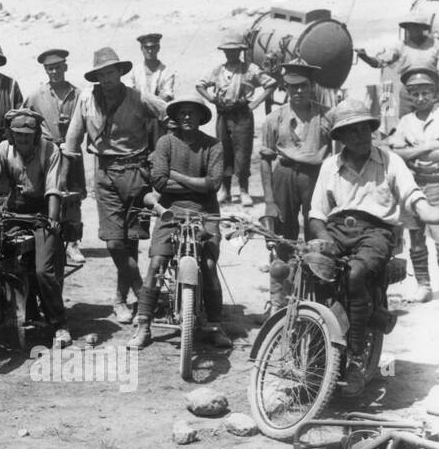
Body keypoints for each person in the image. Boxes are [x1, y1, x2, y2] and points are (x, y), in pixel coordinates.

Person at [308, 100, 439, 395]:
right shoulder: (330, 165)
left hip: (376, 232)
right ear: (340, 137)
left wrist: (430, 213)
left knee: (355, 274)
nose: (360, 136)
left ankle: (354, 360)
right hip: (336, 228)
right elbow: (316, 213)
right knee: (310, 268)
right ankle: (312, 348)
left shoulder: (391, 161)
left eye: (364, 128)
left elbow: (414, 198)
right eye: (351, 131)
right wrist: (322, 236)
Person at [64, 47, 165, 326]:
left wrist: (162, 152)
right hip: (105, 173)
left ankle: (121, 301)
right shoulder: (86, 98)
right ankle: (144, 293)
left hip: (137, 172)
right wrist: (64, 179)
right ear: (96, 76)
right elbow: (72, 142)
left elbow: (169, 115)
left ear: (120, 72)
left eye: (111, 71)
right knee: (113, 241)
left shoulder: (137, 97)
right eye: (101, 73)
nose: (106, 77)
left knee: (130, 243)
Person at [132, 94, 228, 351]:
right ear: (176, 117)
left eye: (192, 113)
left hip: (205, 212)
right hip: (169, 209)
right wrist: (196, 183)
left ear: (200, 117)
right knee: (156, 263)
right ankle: (144, 325)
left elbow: (214, 184)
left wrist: (175, 175)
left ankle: (216, 325)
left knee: (208, 263)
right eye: (182, 113)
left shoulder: (213, 145)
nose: (187, 117)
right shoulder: (165, 143)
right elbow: (160, 182)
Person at [0, 109, 69, 347]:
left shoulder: (49, 150)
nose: (23, 139)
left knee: (44, 271)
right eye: (18, 135)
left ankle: (59, 324)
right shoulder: (4, 148)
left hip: (43, 211)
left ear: (35, 135)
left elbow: (53, 188)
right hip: (14, 209)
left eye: (28, 135)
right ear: (11, 135)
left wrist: (53, 219)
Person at [258, 59, 333, 310]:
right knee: (282, 237)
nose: (298, 91)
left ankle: (320, 298)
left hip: (316, 177)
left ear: (311, 87)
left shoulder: (326, 116)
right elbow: (265, 161)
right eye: (292, 87)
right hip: (285, 175)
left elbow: (337, 156)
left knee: (319, 237)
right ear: (285, 89)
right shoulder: (274, 118)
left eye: (303, 86)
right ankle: (280, 300)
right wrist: (269, 200)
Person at [196, 34, 275, 206]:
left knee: (243, 153)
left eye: (235, 51)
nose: (231, 54)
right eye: (228, 51)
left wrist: (254, 103)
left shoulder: (250, 69)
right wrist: (211, 99)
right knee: (223, 151)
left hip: (242, 116)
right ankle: (225, 191)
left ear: (240, 51)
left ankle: (244, 190)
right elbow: (200, 85)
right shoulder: (217, 70)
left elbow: (270, 84)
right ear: (224, 52)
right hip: (223, 115)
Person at [25, 47, 85, 267]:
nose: (54, 72)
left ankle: (73, 242)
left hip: (73, 151)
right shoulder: (36, 95)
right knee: (50, 192)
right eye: (50, 69)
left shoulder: (78, 94)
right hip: (48, 152)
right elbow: (24, 118)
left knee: (74, 197)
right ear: (45, 70)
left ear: (65, 68)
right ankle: (50, 235)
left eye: (58, 68)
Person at [389, 66, 439, 303]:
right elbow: (397, 152)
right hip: (414, 183)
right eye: (415, 93)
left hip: (438, 183)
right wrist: (429, 147)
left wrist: (412, 150)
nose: (420, 98)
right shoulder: (406, 121)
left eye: (425, 93)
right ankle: (424, 285)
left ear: (434, 93)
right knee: (416, 236)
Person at [357, 10, 439, 123]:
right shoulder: (400, 46)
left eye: (415, 27)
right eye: (409, 27)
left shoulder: (435, 44)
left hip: (432, 89)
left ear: (422, 28)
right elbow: (379, 62)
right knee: (407, 122)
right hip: (409, 91)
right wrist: (365, 57)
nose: (412, 31)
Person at [129, 32, 176, 104]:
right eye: (146, 48)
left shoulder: (167, 72)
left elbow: (168, 95)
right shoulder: (135, 71)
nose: (150, 51)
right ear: (142, 49)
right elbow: (129, 91)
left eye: (153, 47)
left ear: (158, 48)